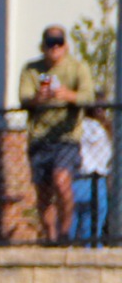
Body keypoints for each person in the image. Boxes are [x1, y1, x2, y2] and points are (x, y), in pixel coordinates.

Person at [19, 25, 95, 243]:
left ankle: (64, 233)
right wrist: (38, 98)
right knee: (43, 192)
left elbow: (88, 96)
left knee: (61, 181)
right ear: (43, 46)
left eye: (59, 43)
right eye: (50, 44)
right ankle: (51, 238)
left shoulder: (77, 68)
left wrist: (66, 95)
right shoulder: (31, 69)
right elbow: (24, 99)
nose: (55, 48)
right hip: (39, 138)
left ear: (66, 45)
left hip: (67, 137)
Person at [73, 113, 111, 246]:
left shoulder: (76, 126)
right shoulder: (106, 129)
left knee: (69, 232)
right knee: (93, 232)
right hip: (98, 179)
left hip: (76, 179)